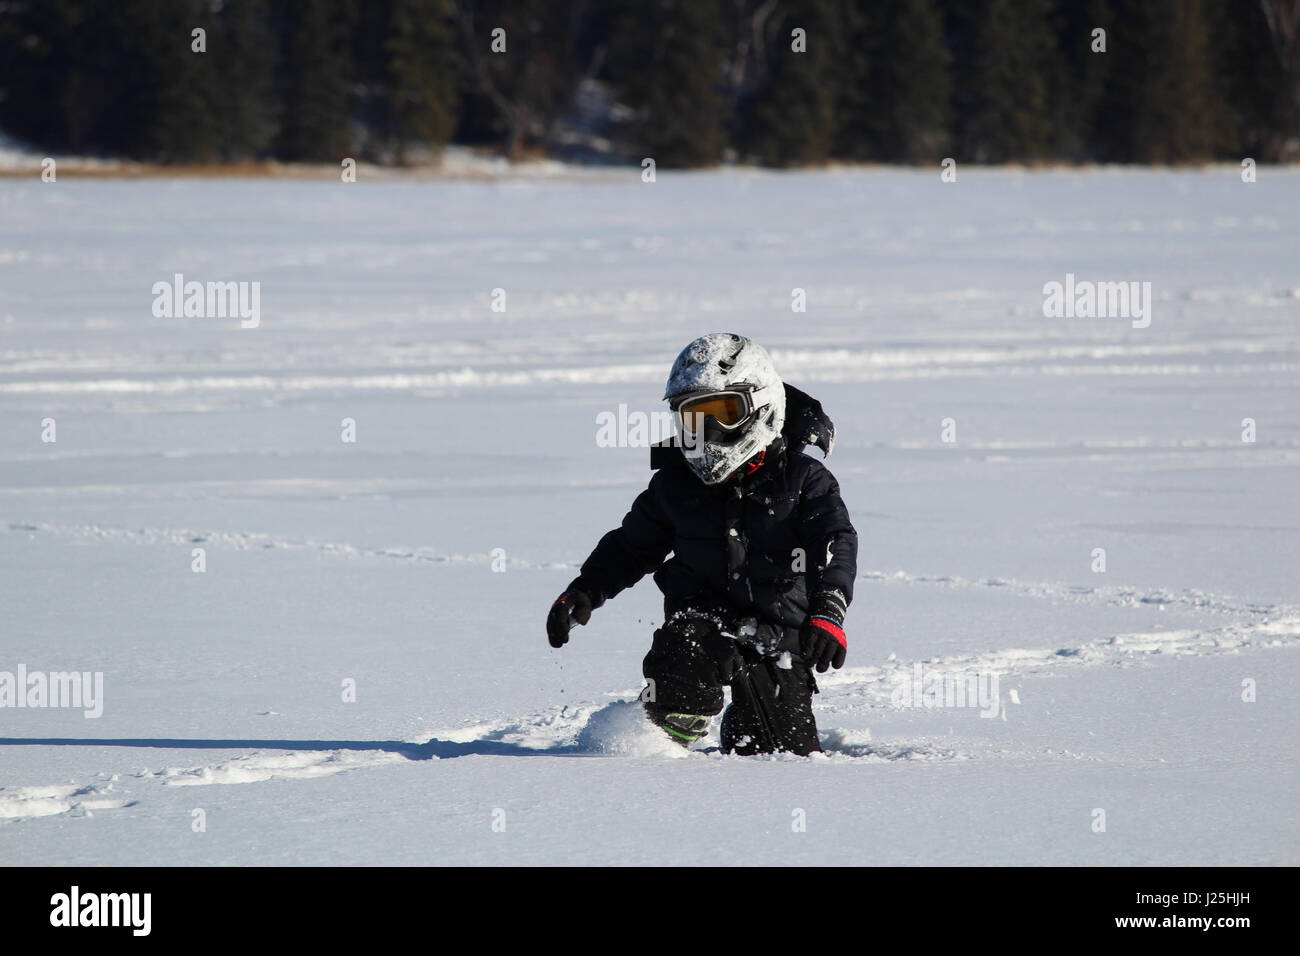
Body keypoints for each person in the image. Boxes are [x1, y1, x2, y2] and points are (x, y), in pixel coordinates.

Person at [546, 333, 857, 755]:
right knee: (684, 652)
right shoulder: (675, 485)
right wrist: (585, 591)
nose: (707, 430)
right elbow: (631, 546)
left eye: (723, 412)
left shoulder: (803, 480)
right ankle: (654, 745)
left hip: (781, 636)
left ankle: (741, 741)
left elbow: (835, 544)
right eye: (694, 417)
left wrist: (828, 612)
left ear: (761, 406)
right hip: (700, 621)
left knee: (781, 756)